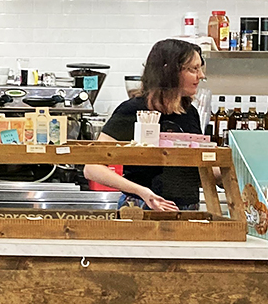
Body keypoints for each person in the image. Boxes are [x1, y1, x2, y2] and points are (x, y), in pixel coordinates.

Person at [84, 38, 206, 211]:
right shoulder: (133, 110)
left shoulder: (190, 112)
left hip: (186, 209)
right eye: (194, 69)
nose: (201, 75)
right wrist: (142, 192)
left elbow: (192, 168)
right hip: (141, 208)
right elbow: (92, 168)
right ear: (169, 70)